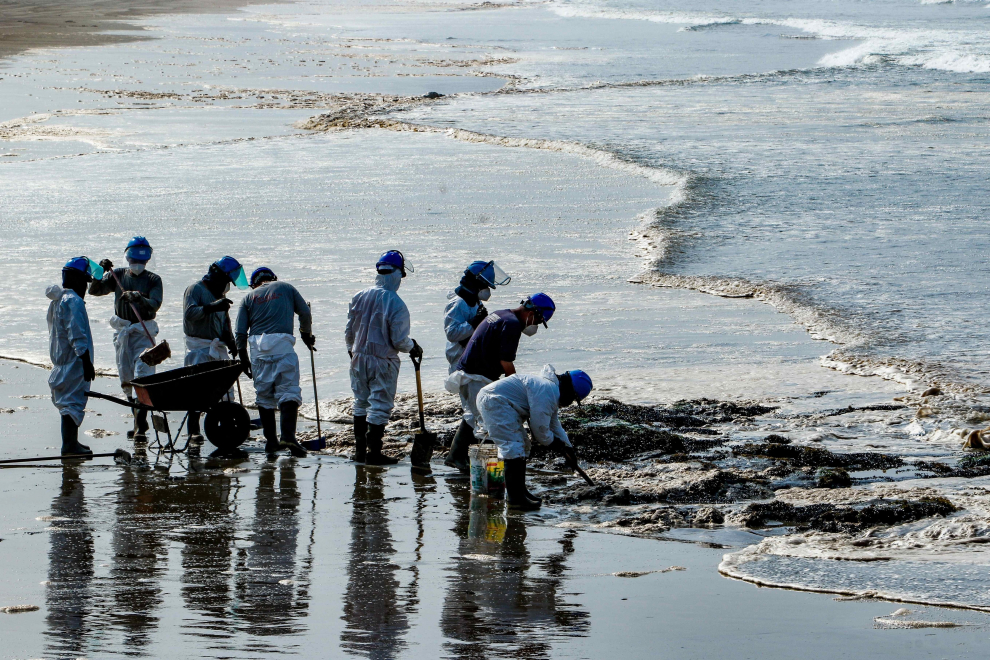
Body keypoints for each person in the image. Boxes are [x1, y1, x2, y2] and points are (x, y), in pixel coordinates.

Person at [443, 292, 555, 472]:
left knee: (473, 415)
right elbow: (506, 361)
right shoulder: (512, 325)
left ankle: (456, 456)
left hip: (469, 371)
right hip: (477, 376)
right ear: (532, 313)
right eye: (537, 321)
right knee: (488, 422)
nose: (535, 325)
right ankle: (482, 466)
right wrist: (518, 388)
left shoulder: (502, 313)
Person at [345, 250, 423, 466]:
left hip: (358, 357)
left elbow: (349, 331)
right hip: (383, 360)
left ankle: (360, 452)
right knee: (380, 406)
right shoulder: (396, 303)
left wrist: (352, 351)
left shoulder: (359, 295)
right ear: (397, 274)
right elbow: (399, 340)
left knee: (360, 402)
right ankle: (374, 453)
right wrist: (413, 347)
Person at [476, 365, 592, 510]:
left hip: (498, 400)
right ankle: (516, 499)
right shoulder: (547, 392)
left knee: (522, 445)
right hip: (494, 401)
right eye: (573, 399)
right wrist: (555, 443)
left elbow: (554, 425)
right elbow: (540, 430)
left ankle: (521, 492)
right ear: (570, 391)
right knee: (513, 446)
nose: (570, 403)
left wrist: (569, 448)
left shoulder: (551, 390)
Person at [235, 266, 314, 458]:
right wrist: (306, 335)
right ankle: (288, 436)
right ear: (273, 278)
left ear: (254, 284)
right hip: (282, 346)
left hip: (257, 350)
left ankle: (271, 442)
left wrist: (243, 357)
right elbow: (304, 313)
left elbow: (240, 332)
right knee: (288, 391)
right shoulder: (286, 288)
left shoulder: (248, 298)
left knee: (264, 395)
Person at [89, 237, 163, 441]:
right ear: (128, 258)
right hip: (123, 333)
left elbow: (155, 304)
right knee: (127, 377)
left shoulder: (153, 280)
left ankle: (140, 424)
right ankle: (138, 418)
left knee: (143, 375)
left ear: (148, 260)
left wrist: (139, 298)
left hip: (143, 332)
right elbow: (94, 290)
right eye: (134, 259)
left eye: (143, 260)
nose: (138, 264)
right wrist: (99, 272)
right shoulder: (119, 275)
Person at [182, 256, 246, 442]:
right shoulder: (196, 289)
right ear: (217, 275)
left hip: (216, 347)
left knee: (224, 391)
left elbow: (224, 325)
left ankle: (227, 426)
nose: (227, 286)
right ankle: (193, 431)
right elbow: (190, 314)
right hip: (198, 348)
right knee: (198, 392)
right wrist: (211, 307)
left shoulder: (221, 298)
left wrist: (232, 343)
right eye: (227, 281)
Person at [48, 257, 101, 456]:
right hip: (74, 361)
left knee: (68, 402)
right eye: (85, 282)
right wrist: (86, 361)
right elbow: (77, 335)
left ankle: (71, 443)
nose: (86, 287)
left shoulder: (58, 300)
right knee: (73, 402)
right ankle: (69, 446)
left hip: (61, 360)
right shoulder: (74, 301)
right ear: (77, 280)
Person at [443, 260, 511, 374]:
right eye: (486, 286)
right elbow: (452, 333)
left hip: (471, 357)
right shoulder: (459, 303)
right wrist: (474, 322)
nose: (487, 290)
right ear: (476, 283)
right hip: (460, 360)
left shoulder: (475, 302)